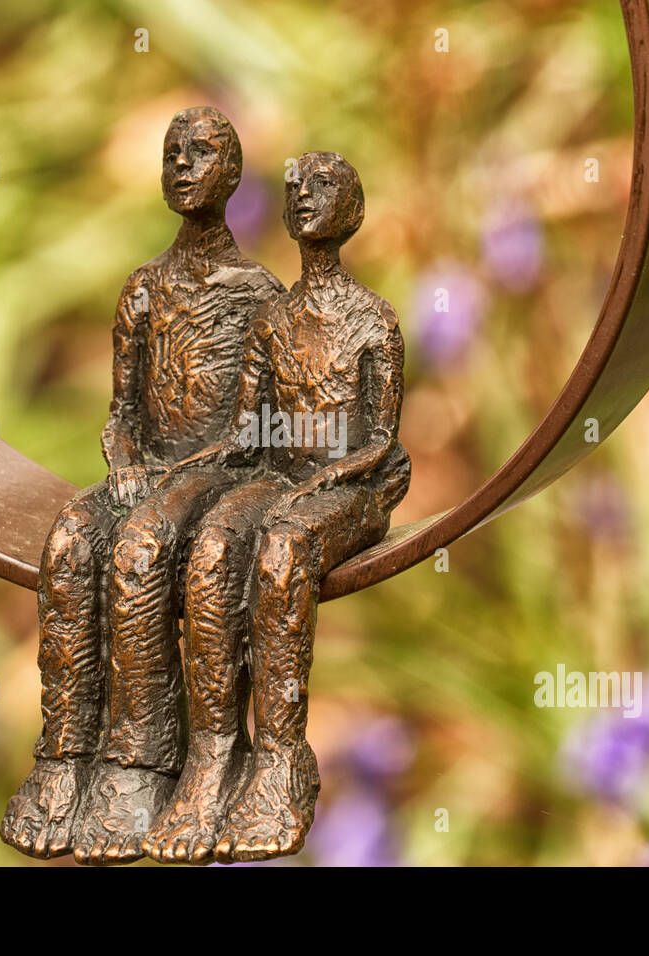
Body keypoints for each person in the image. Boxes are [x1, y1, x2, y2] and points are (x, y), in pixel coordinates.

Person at [0, 107, 283, 863]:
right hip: (146, 473)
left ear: (231, 173)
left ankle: (141, 762)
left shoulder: (259, 294)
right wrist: (125, 460)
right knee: (68, 542)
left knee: (141, 547)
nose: (183, 165)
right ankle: (65, 753)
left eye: (202, 152)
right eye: (172, 153)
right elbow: (122, 413)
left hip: (220, 475)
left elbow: (261, 436)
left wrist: (177, 478)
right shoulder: (144, 289)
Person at [142, 151, 410, 863]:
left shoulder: (373, 323)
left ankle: (279, 760)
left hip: (349, 491)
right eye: (293, 187)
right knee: (210, 549)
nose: (301, 197)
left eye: (320, 188)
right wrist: (175, 481)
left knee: (283, 549)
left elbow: (381, 440)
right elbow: (244, 435)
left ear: (349, 210)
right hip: (279, 476)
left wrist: (327, 481)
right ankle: (210, 755)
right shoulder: (271, 321)